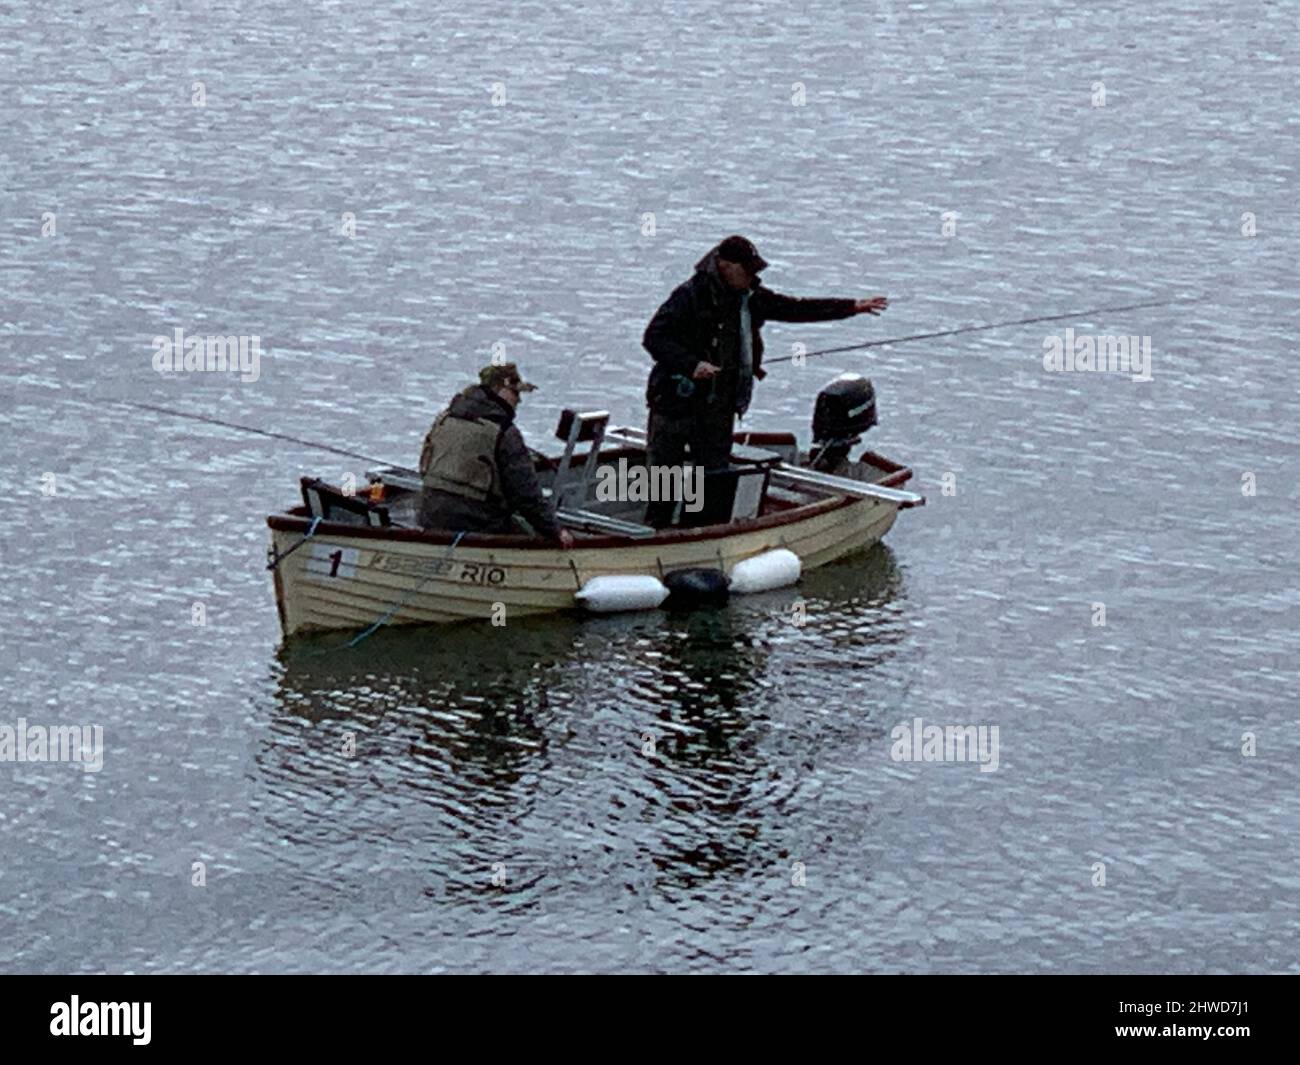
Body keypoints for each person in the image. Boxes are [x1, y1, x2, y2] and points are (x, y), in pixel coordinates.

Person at [642, 235, 888, 525]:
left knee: (712, 481)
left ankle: (699, 534)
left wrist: (851, 307)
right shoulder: (689, 296)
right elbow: (654, 337)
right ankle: (656, 529)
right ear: (724, 265)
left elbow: (796, 309)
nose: (752, 277)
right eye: (747, 271)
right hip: (673, 405)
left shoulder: (751, 298)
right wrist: (691, 365)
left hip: (717, 409)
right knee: (663, 480)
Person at [418, 363, 575, 547]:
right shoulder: (505, 432)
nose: (519, 401)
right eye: (516, 393)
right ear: (500, 390)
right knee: (532, 534)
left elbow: (424, 467)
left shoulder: (445, 418)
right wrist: (557, 530)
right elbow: (526, 497)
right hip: (479, 523)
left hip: (429, 514)